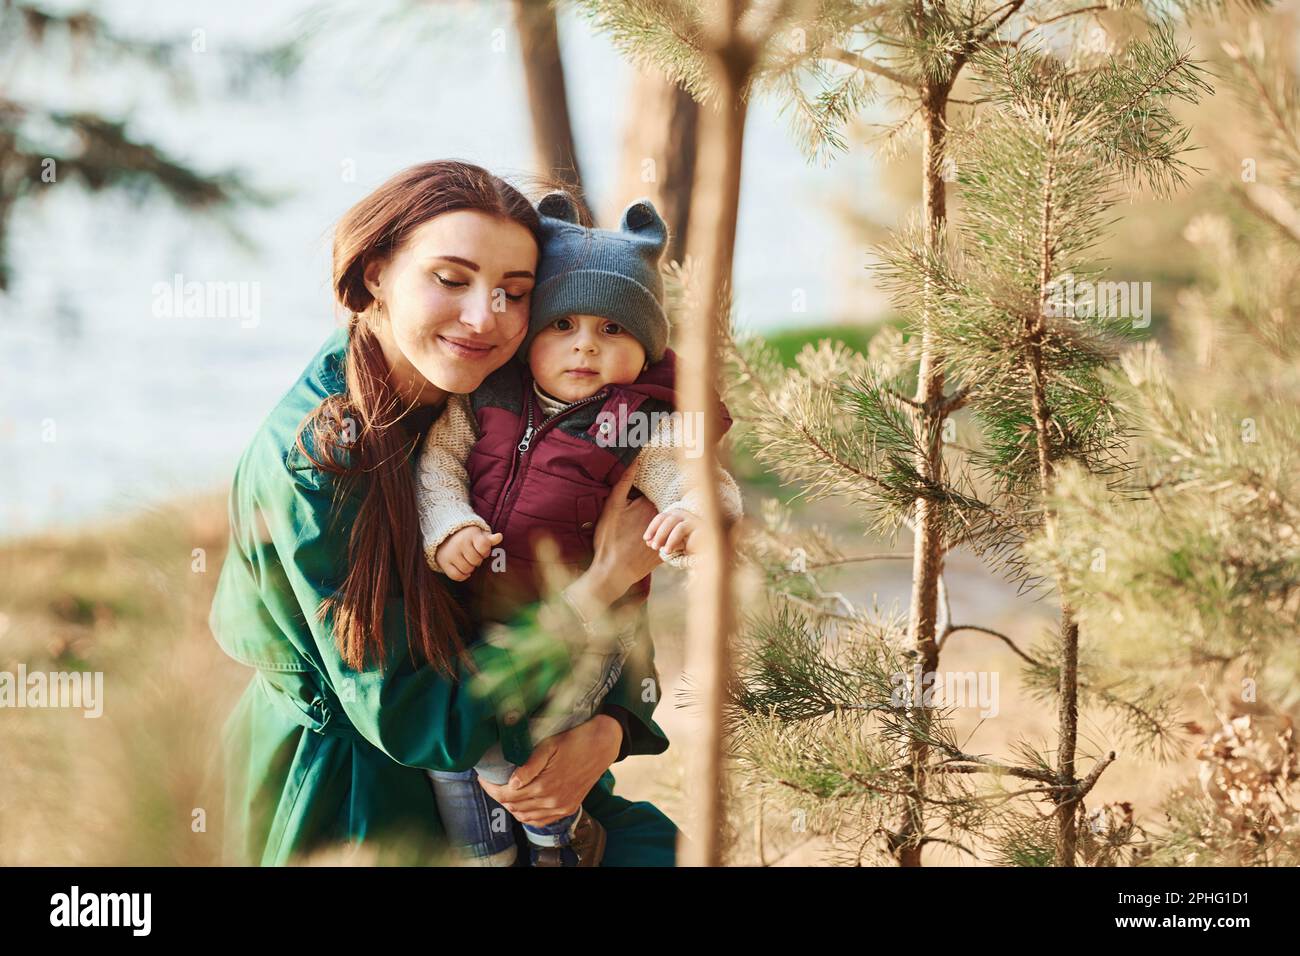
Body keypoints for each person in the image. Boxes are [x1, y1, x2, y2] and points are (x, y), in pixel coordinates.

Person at [208, 160, 678, 867]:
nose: (483, 317)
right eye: (451, 280)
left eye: (514, 293)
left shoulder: (516, 397)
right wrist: (599, 585)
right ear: (376, 273)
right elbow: (409, 710)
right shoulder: (317, 462)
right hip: (361, 795)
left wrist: (608, 730)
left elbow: (609, 575)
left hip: (522, 751)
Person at [415, 192, 743, 866]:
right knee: (457, 760)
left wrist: (691, 515)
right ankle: (491, 854)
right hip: (480, 622)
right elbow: (438, 464)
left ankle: (559, 842)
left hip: (584, 643)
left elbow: (696, 477)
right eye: (562, 323)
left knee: (525, 759)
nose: (586, 344)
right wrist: (449, 528)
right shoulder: (487, 396)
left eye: (613, 330)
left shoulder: (638, 418)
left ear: (646, 346)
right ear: (529, 332)